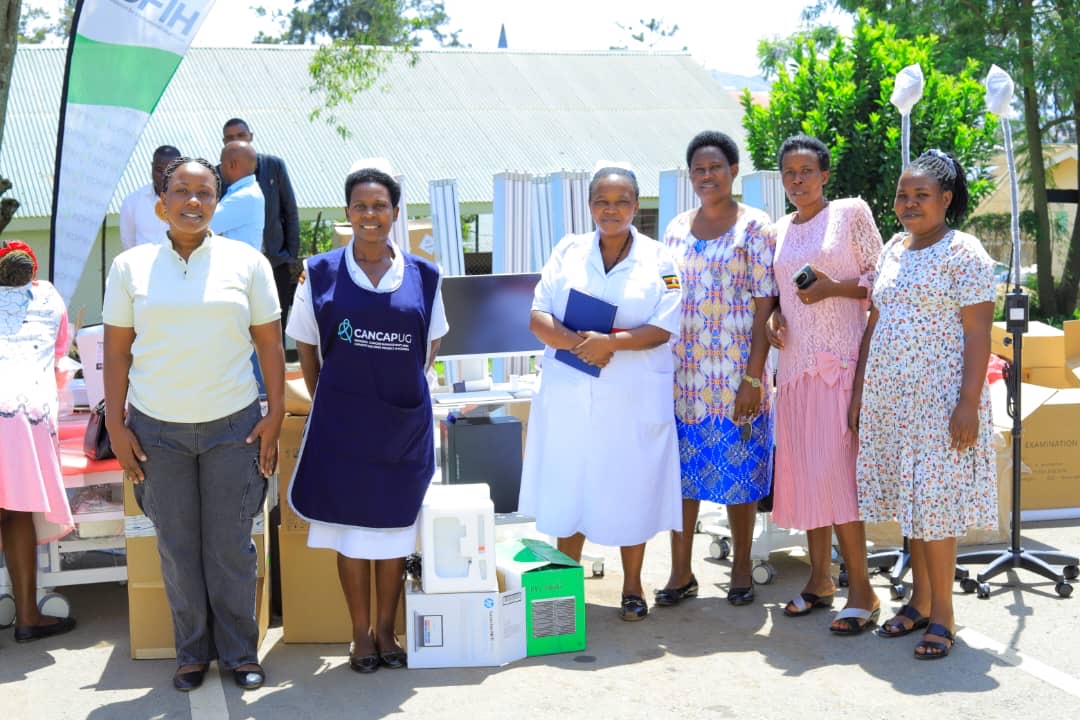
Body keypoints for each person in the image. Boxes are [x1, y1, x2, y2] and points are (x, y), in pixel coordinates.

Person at [103, 158, 284, 691]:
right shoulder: (131, 267)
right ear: (162, 200)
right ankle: (190, 655)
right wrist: (116, 424)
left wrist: (274, 413)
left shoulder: (246, 263)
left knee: (230, 547)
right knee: (178, 549)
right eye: (181, 191)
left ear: (217, 201)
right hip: (158, 431)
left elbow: (270, 343)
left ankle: (239, 654)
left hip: (235, 427)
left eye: (204, 193)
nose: (192, 202)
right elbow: (116, 354)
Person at [285, 163, 447, 673]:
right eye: (361, 206)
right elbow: (307, 348)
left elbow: (431, 348)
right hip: (343, 429)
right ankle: (360, 635)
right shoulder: (320, 273)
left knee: (394, 532)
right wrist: (334, 399)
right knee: (352, 533)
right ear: (348, 213)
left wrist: (391, 396)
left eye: (380, 206)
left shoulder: (424, 275)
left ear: (396, 213)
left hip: (402, 427)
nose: (370, 215)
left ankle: (388, 631)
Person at [519, 164, 683, 622]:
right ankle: (563, 586)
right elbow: (538, 316)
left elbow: (664, 327)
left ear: (636, 206)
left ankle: (632, 586)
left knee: (631, 484)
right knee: (570, 483)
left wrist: (612, 344)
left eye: (622, 201)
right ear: (590, 205)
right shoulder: (568, 250)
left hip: (632, 395)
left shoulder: (660, 259)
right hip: (571, 391)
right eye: (602, 202)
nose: (611, 210)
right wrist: (582, 345)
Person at [851, 149, 997, 660]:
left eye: (922, 196)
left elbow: (980, 333)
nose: (909, 204)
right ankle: (917, 604)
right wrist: (861, 391)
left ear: (947, 199)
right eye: (902, 195)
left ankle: (944, 618)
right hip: (893, 402)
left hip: (942, 403)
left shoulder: (966, 252)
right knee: (913, 505)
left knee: (935, 509)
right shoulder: (893, 247)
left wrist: (968, 403)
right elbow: (875, 322)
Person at [766, 135, 882, 634]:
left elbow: (883, 281)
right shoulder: (778, 230)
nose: (798, 181)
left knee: (838, 480)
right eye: (789, 173)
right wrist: (772, 316)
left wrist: (833, 288)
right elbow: (774, 294)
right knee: (807, 475)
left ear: (825, 175)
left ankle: (864, 590)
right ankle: (819, 581)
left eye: (807, 171)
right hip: (792, 372)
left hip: (840, 365)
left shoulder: (851, 213)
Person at [657, 131, 778, 608]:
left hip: (735, 376)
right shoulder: (675, 229)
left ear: (733, 172)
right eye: (699, 170)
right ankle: (681, 571)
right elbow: (667, 293)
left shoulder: (755, 227)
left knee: (739, 476)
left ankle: (742, 568)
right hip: (683, 377)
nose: (707, 177)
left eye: (716, 168)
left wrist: (753, 376)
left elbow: (765, 302)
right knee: (681, 476)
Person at [0, 240, 77, 644]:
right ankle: (28, 617)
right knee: (16, 513)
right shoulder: (48, 298)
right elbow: (60, 358)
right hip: (25, 416)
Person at [222, 118, 300, 336]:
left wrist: (291, 255)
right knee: (243, 328)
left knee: (276, 326)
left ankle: (276, 372)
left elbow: (290, 211)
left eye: (240, 136)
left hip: (275, 262)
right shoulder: (222, 173)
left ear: (251, 137)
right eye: (229, 138)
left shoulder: (274, 166)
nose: (235, 141)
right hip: (239, 271)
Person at [119, 145, 181, 250]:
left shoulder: (190, 203)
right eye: (159, 170)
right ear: (152, 166)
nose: (163, 176)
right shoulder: (132, 202)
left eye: (170, 171)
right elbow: (128, 242)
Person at [212, 141, 265, 251]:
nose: (220, 168)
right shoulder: (243, 191)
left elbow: (204, 226)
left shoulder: (244, 196)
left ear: (232, 164)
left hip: (237, 266)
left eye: (222, 162)